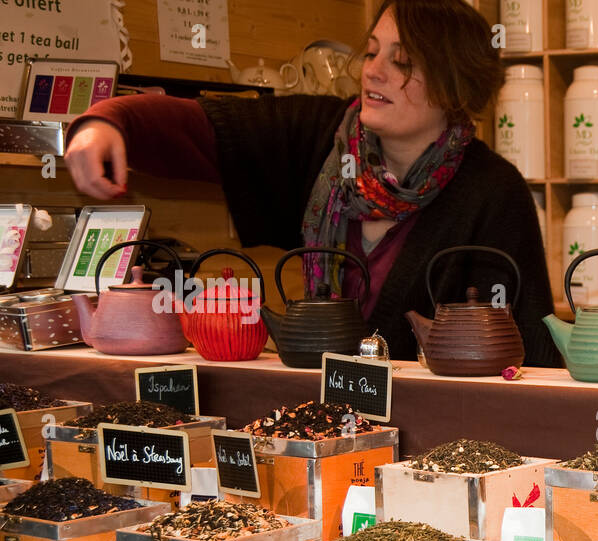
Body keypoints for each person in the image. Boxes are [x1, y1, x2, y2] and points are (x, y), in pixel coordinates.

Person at [64, 0, 561, 367]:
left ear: (456, 84)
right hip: (315, 416)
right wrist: (105, 123)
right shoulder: (320, 136)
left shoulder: (493, 192)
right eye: (371, 53)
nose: (374, 72)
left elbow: (529, 355)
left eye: (402, 61)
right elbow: (207, 127)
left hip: (437, 439)